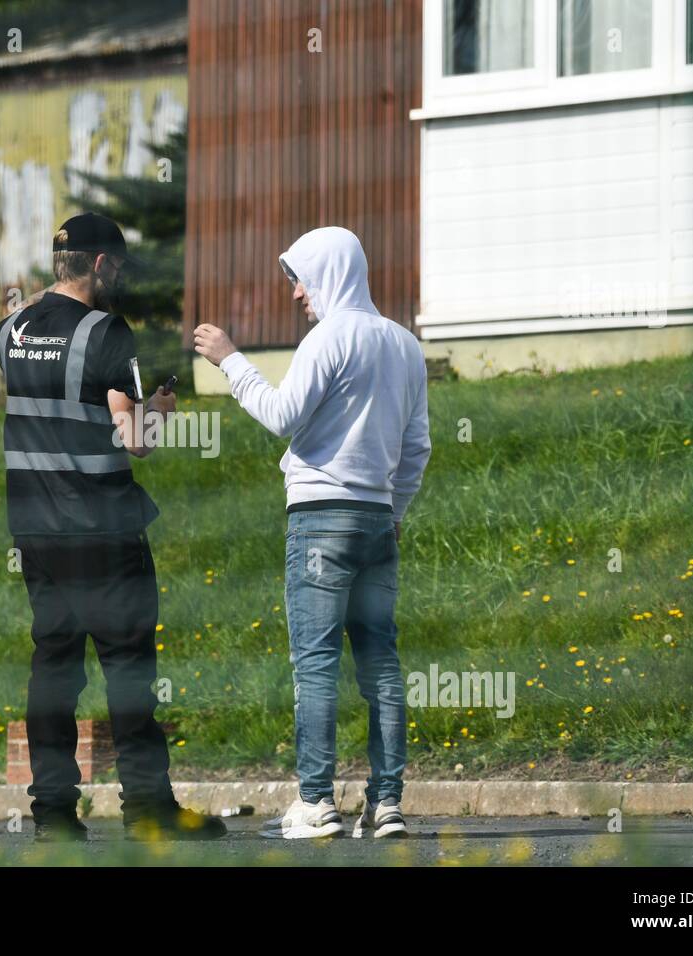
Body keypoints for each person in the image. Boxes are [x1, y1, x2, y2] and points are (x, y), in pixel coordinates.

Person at [0, 212, 226, 843]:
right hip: (103, 528)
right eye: (116, 266)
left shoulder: (8, 330)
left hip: (35, 531)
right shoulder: (107, 332)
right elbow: (135, 439)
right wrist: (162, 411)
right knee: (128, 671)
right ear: (100, 264)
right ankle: (149, 809)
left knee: (54, 668)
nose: (118, 277)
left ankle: (54, 818)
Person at [193, 226, 432, 840]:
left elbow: (281, 415)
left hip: (320, 518)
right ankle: (387, 805)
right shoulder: (404, 345)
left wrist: (230, 360)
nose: (296, 292)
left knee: (317, 664)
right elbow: (417, 447)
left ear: (328, 272)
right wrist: (395, 511)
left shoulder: (329, 339)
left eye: (299, 277)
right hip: (378, 522)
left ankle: (317, 802)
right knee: (380, 661)